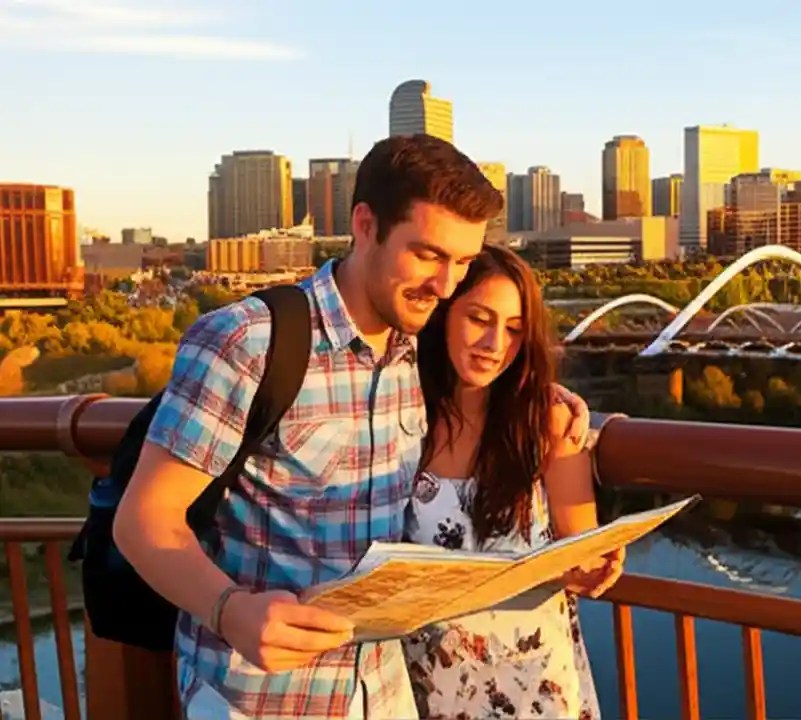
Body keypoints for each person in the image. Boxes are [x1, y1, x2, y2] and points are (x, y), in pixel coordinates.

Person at [113, 134, 591, 720]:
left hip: (383, 695)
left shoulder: (420, 349)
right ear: (365, 225)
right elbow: (143, 521)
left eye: (462, 263)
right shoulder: (248, 342)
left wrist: (545, 397)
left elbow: (491, 374)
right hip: (260, 697)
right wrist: (228, 610)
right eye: (428, 255)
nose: (445, 286)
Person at [402, 243, 622, 719]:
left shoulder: (546, 423)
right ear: (443, 312)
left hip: (533, 686)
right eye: (479, 319)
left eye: (515, 330)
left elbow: (579, 546)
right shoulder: (399, 416)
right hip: (427, 688)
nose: (495, 344)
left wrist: (594, 566)